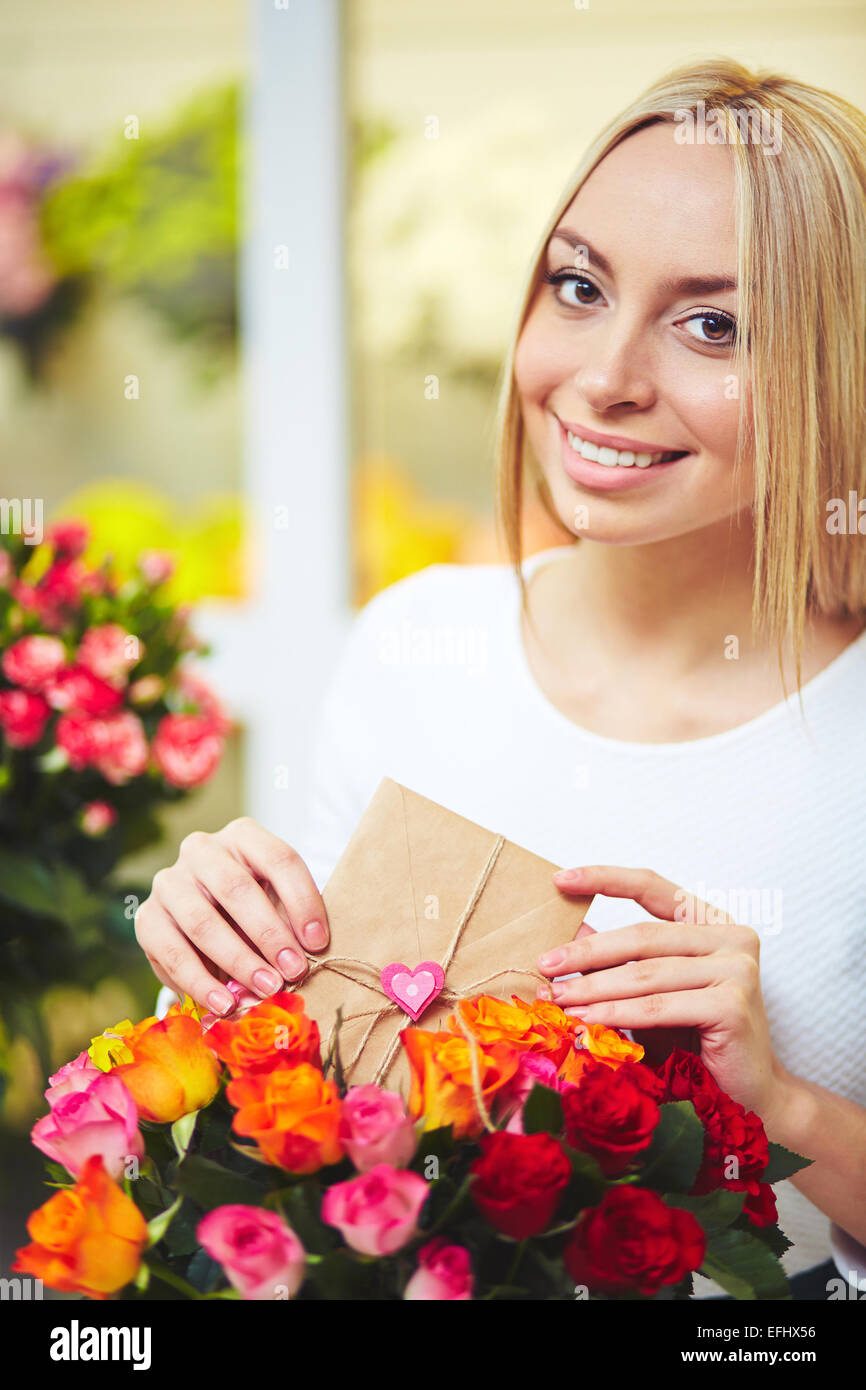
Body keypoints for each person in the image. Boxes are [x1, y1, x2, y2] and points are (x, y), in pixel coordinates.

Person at [135, 58, 866, 1298]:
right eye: (577, 286)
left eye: (711, 325)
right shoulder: (412, 645)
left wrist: (778, 1101)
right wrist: (206, 970)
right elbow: (311, 1112)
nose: (603, 375)